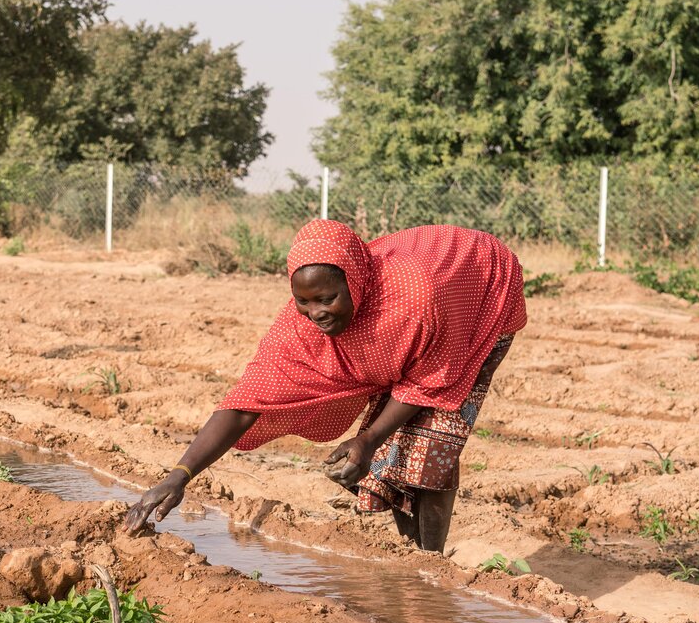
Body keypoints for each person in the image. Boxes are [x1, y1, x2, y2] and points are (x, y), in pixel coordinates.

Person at [122, 218, 526, 552]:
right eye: (304, 301)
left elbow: (427, 382)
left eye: (328, 299)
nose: (315, 313)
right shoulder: (298, 326)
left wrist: (367, 440)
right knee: (389, 452)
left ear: (356, 282)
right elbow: (247, 403)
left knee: (432, 445)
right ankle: (412, 555)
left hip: (480, 299)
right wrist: (179, 475)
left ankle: (431, 560)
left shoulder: (412, 307)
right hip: (410, 324)